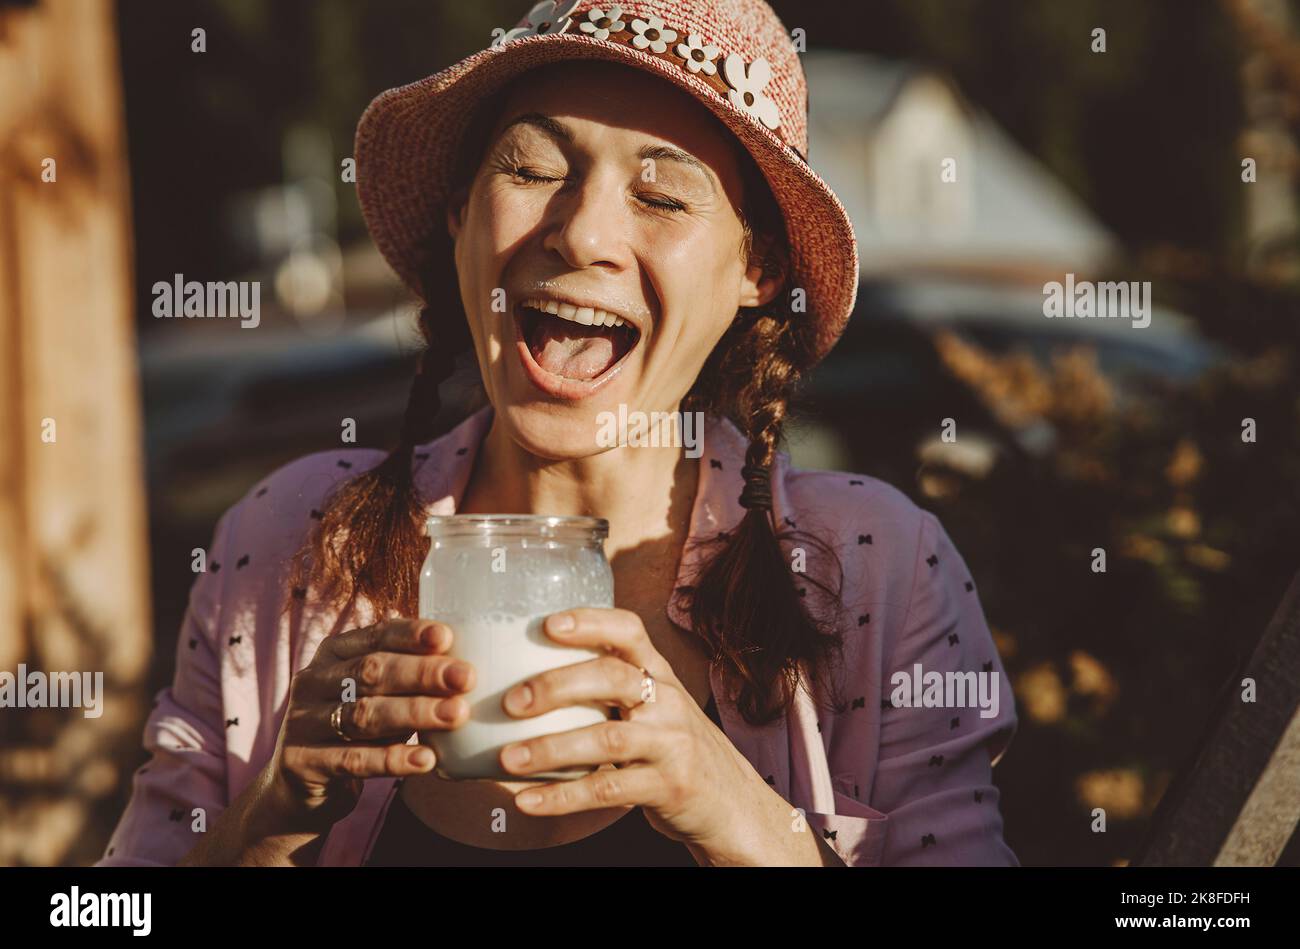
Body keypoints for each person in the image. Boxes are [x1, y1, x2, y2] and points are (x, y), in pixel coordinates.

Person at [98, 0, 1018, 867]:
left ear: (759, 267)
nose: (581, 235)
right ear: (461, 217)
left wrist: (733, 809)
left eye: (662, 196)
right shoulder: (291, 542)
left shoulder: (874, 569)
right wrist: (267, 825)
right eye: (533, 169)